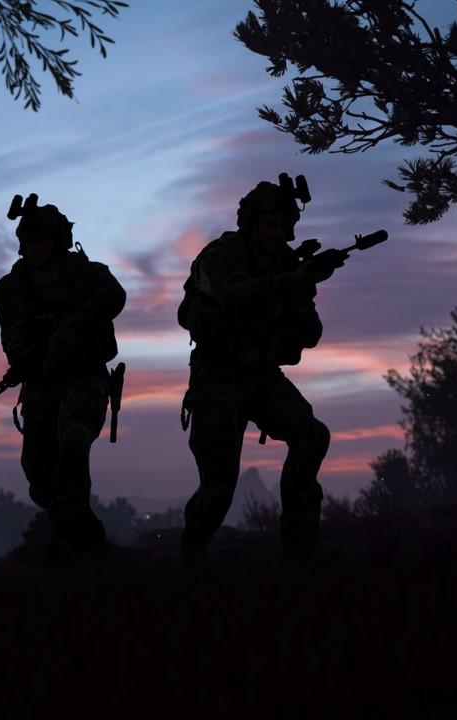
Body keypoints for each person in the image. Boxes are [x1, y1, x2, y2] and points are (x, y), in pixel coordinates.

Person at [177, 175, 348, 561]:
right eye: (272, 223)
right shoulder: (221, 256)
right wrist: (295, 280)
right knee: (219, 488)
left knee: (311, 436)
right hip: (217, 379)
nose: (280, 232)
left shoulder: (290, 265)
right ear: (252, 223)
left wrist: (303, 289)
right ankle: (190, 555)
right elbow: (238, 297)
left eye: (287, 225)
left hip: (262, 377)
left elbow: (310, 335)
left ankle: (299, 547)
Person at [0, 197, 126, 560]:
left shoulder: (87, 274)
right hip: (41, 384)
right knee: (39, 477)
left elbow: (115, 297)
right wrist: (25, 358)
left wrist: (71, 330)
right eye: (29, 240)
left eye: (41, 240)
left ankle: (66, 543)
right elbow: (13, 334)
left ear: (57, 241)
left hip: (85, 377)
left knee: (74, 438)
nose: (33, 248)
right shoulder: (11, 288)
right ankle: (91, 537)